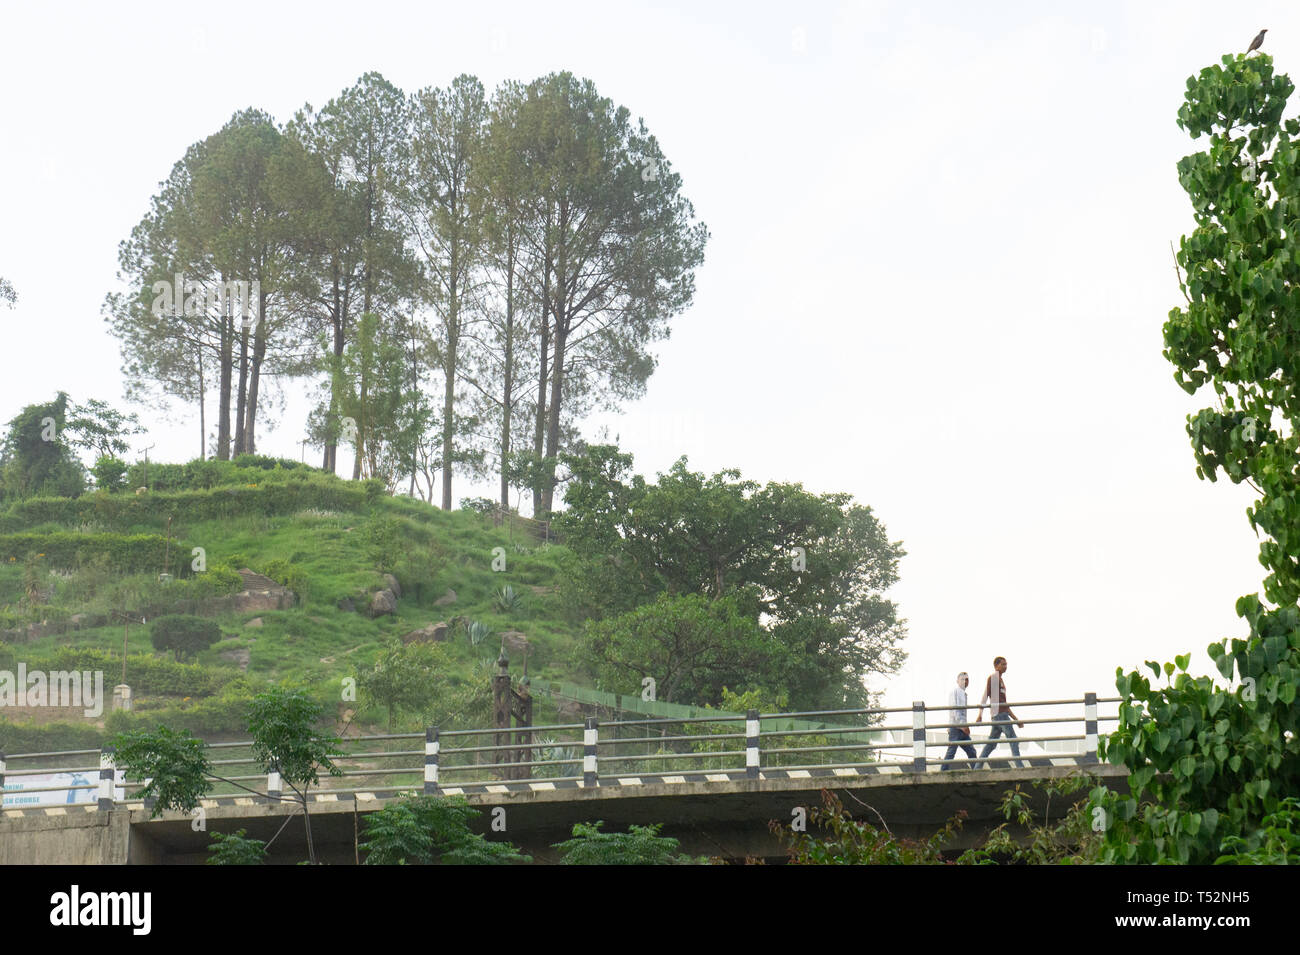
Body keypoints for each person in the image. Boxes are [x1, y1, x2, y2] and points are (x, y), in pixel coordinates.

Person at [975, 656, 1024, 768]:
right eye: (1003, 664)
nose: (1005, 667)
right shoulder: (994, 678)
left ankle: (977, 768)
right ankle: (1020, 767)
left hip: (1000, 715)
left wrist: (1016, 719)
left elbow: (1004, 704)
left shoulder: (1000, 680)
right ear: (996, 666)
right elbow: (985, 695)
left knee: (991, 745)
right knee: (1013, 740)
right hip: (999, 715)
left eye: (1006, 664)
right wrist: (980, 714)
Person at [941, 672, 976, 771]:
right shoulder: (955, 692)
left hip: (961, 728)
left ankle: (977, 772)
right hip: (956, 728)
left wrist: (964, 726)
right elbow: (954, 710)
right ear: (957, 681)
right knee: (951, 752)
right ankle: (943, 772)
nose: (965, 681)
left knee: (971, 751)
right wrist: (962, 726)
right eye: (963, 679)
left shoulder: (964, 694)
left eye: (967, 679)